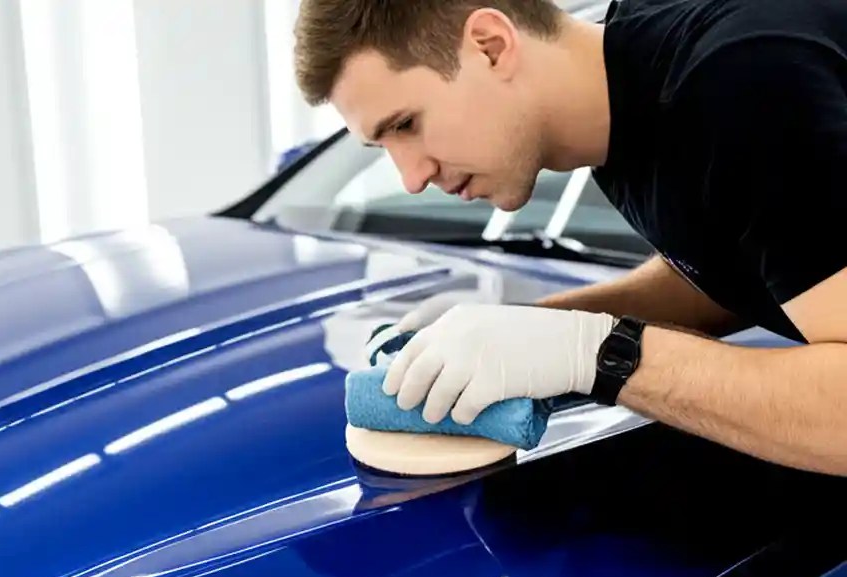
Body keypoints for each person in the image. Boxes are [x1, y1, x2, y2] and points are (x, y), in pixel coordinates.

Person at [293, 0, 847, 476]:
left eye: (406, 125)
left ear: (489, 45)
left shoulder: (747, 84)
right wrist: (533, 325)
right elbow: (758, 257)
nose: (411, 179)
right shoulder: (640, 88)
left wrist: (595, 355)